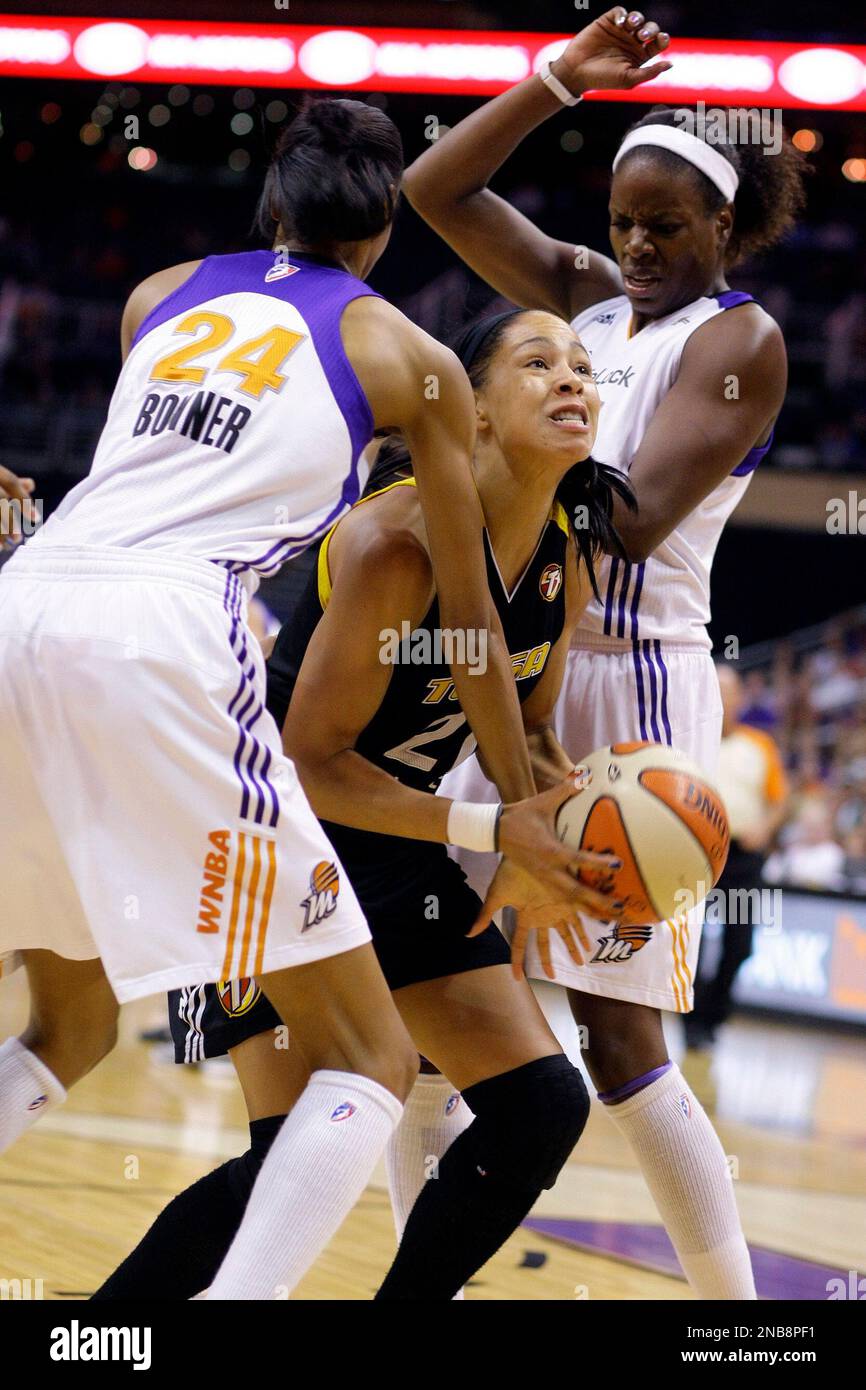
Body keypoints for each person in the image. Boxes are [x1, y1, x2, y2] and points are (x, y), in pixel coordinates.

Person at [0, 100, 600, 1301]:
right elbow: (471, 620)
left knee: (66, 1023)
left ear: (271, 201)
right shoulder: (412, 362)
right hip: (166, 631)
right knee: (367, 1059)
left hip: (26, 600)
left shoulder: (156, 294)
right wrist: (513, 818)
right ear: (382, 234)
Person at [93, 307, 632, 1301]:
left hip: (395, 847)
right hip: (271, 836)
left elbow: (531, 728)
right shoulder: (394, 543)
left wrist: (580, 821)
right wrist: (483, 826)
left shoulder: (569, 556)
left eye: (583, 367)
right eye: (536, 361)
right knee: (287, 1156)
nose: (570, 380)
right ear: (468, 409)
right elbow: (308, 764)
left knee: (539, 1105)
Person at [405, 6, 807, 1298]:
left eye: (665, 226)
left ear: (724, 230)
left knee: (620, 1029)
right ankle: (423, 1283)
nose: (634, 245)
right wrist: (553, 80)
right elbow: (434, 186)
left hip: (631, 687)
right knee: (427, 1003)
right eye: (622, 220)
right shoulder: (586, 299)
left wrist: (491, 447)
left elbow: (626, 525)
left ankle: (734, 1310)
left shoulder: (735, 341)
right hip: (512, 669)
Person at [686, 664, 789, 1048]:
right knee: (690, 943)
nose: (722, 698)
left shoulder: (759, 745)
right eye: (715, 689)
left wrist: (766, 827)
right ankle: (691, 1024)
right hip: (696, 857)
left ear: (740, 698)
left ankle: (714, 1018)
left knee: (740, 945)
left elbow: (779, 800)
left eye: (728, 691)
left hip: (743, 858)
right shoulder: (692, 740)